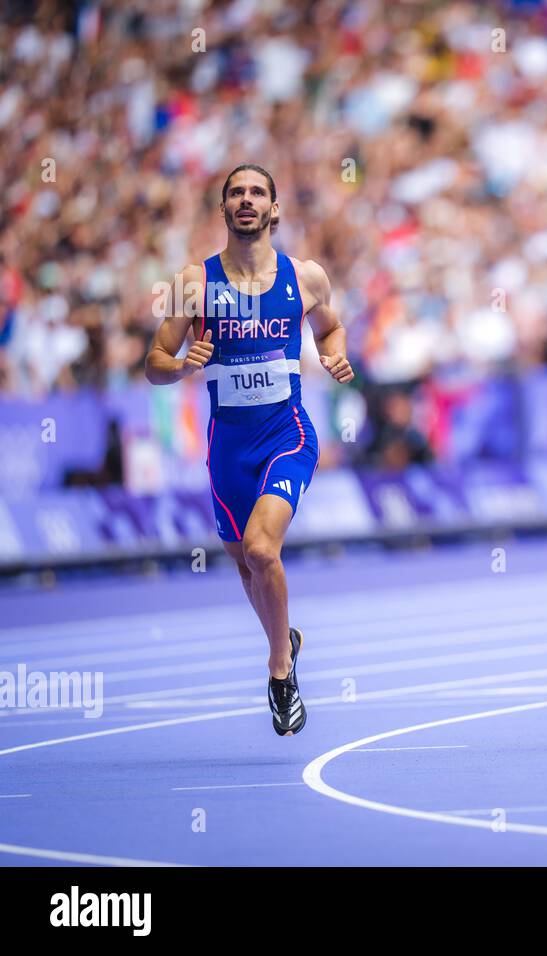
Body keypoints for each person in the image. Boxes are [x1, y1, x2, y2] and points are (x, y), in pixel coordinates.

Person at [146, 164, 354, 736]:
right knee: (244, 564)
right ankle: (282, 636)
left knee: (263, 552)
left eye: (257, 192)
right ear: (223, 210)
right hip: (226, 449)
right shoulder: (195, 283)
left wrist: (334, 354)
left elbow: (331, 329)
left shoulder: (306, 276)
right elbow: (154, 363)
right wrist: (179, 364)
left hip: (288, 436)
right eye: (236, 193)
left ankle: (279, 670)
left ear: (274, 209)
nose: (246, 200)